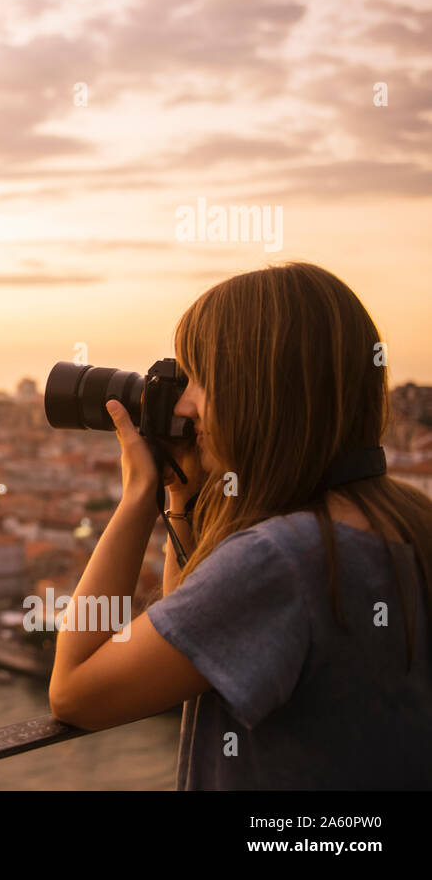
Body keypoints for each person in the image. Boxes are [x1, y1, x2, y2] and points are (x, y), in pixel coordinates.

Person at [48, 262, 432, 788]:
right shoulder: (409, 522)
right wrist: (181, 497)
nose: (185, 403)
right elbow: (194, 628)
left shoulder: (283, 559)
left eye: (200, 381)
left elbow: (75, 694)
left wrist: (139, 496)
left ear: (256, 392)